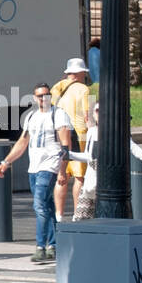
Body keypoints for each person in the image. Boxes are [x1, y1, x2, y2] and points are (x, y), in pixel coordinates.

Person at [0, 82, 72, 263]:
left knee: (38, 205)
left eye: (46, 95)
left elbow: (65, 146)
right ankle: (54, 244)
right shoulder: (31, 116)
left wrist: (62, 171)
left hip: (50, 165)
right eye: (39, 95)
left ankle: (40, 246)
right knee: (46, 205)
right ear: (34, 98)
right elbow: (22, 143)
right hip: (34, 167)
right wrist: (6, 161)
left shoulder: (59, 115)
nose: (43, 98)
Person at [66, 101, 142, 220]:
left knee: (107, 219)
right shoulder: (92, 132)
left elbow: (133, 147)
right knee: (80, 220)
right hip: (90, 185)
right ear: (93, 114)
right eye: (97, 111)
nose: (99, 114)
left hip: (109, 185)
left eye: (102, 111)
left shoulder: (116, 131)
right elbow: (89, 157)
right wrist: (68, 154)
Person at [51, 58, 93, 222]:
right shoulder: (85, 90)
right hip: (79, 135)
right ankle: (77, 214)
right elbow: (88, 115)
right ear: (80, 73)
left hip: (60, 134)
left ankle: (59, 215)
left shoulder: (56, 88)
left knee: (62, 176)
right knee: (79, 177)